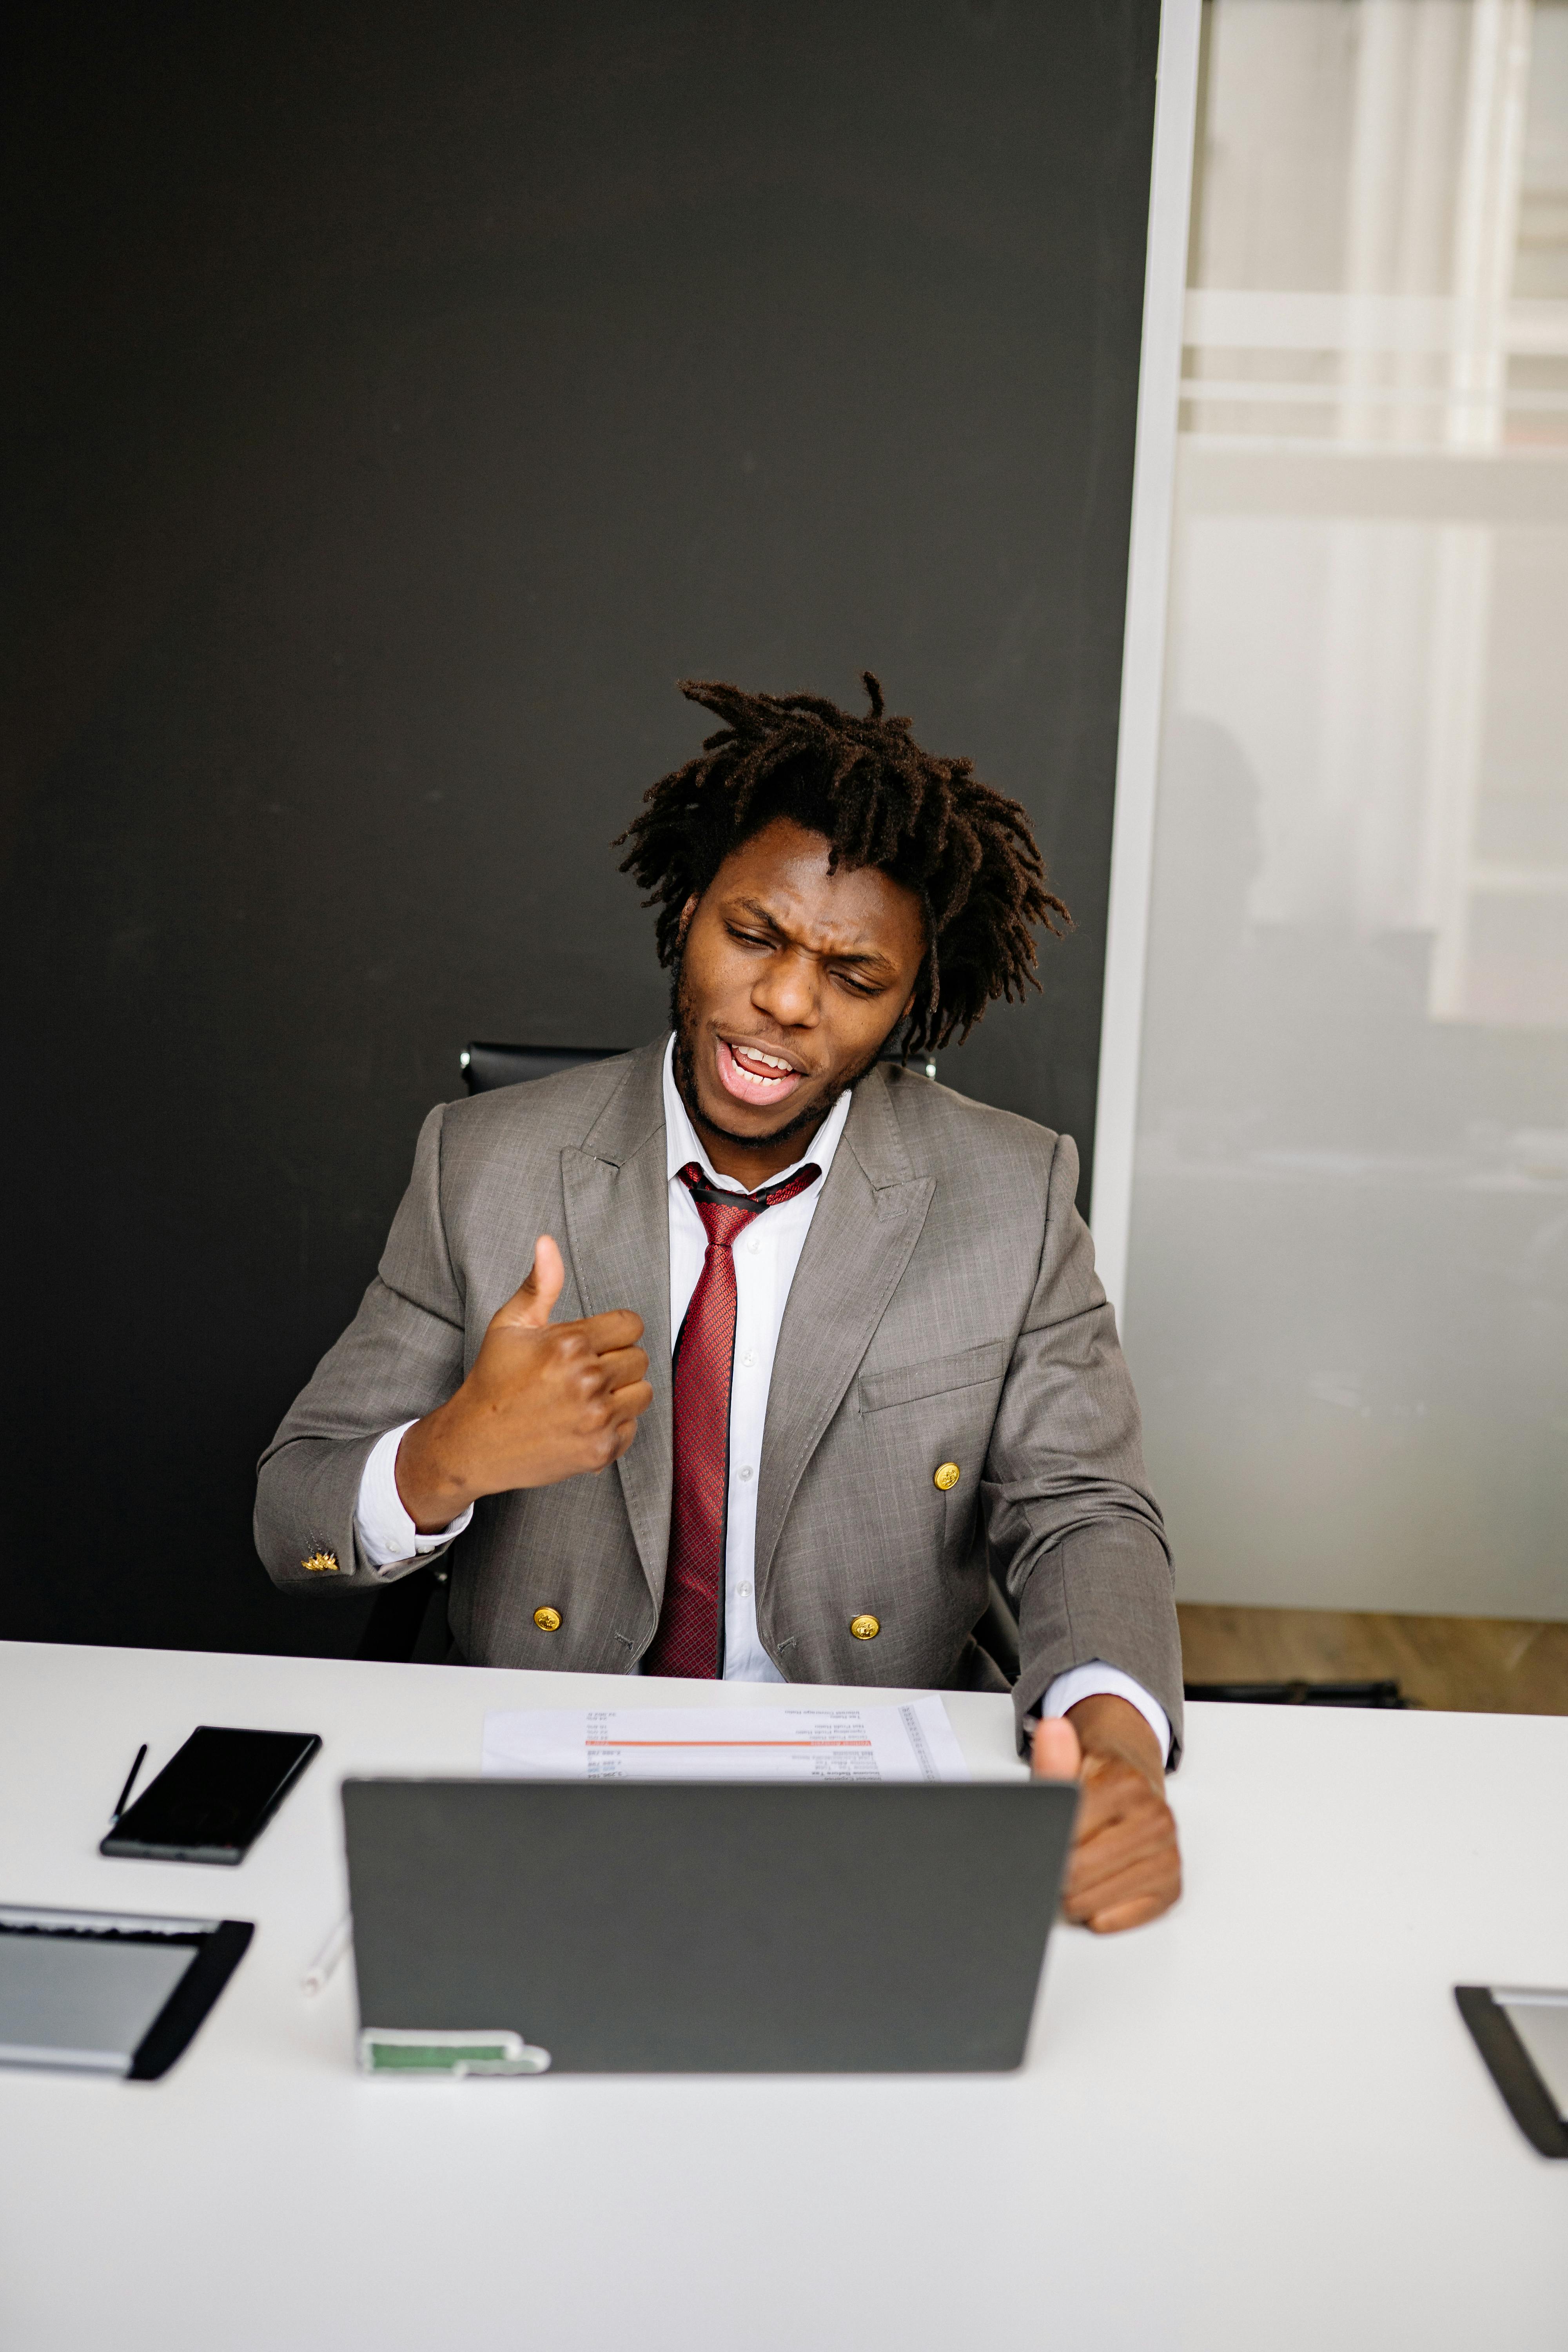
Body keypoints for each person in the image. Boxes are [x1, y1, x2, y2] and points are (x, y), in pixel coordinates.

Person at [256, 675, 1182, 1933]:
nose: (791, 1002)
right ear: (688, 914)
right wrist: (449, 1454)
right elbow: (291, 1523)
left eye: (854, 975)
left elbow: (1086, 1513)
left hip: (876, 1791)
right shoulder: (481, 1163)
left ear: (912, 1002)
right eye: (755, 937)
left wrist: (1116, 1744)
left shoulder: (1015, 1195)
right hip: (544, 1788)